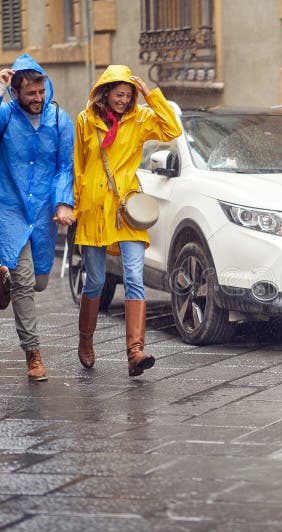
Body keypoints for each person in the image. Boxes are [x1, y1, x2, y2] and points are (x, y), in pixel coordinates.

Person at [0, 54, 75, 381]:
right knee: (26, 281)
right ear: (17, 92)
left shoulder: (59, 120)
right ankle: (33, 354)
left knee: (39, 281)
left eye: (42, 91)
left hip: (43, 209)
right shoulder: (3, 115)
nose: (38, 99)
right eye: (31, 93)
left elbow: (64, 167)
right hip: (8, 205)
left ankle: (6, 283)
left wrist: (62, 203)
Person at [73, 65, 181, 377]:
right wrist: (74, 207)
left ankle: (135, 351)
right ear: (104, 92)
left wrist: (151, 94)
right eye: (118, 94)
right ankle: (86, 341)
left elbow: (172, 129)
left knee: (134, 276)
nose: (123, 100)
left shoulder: (141, 118)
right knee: (95, 280)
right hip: (94, 208)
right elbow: (78, 167)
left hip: (127, 208)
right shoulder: (85, 121)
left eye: (128, 95)